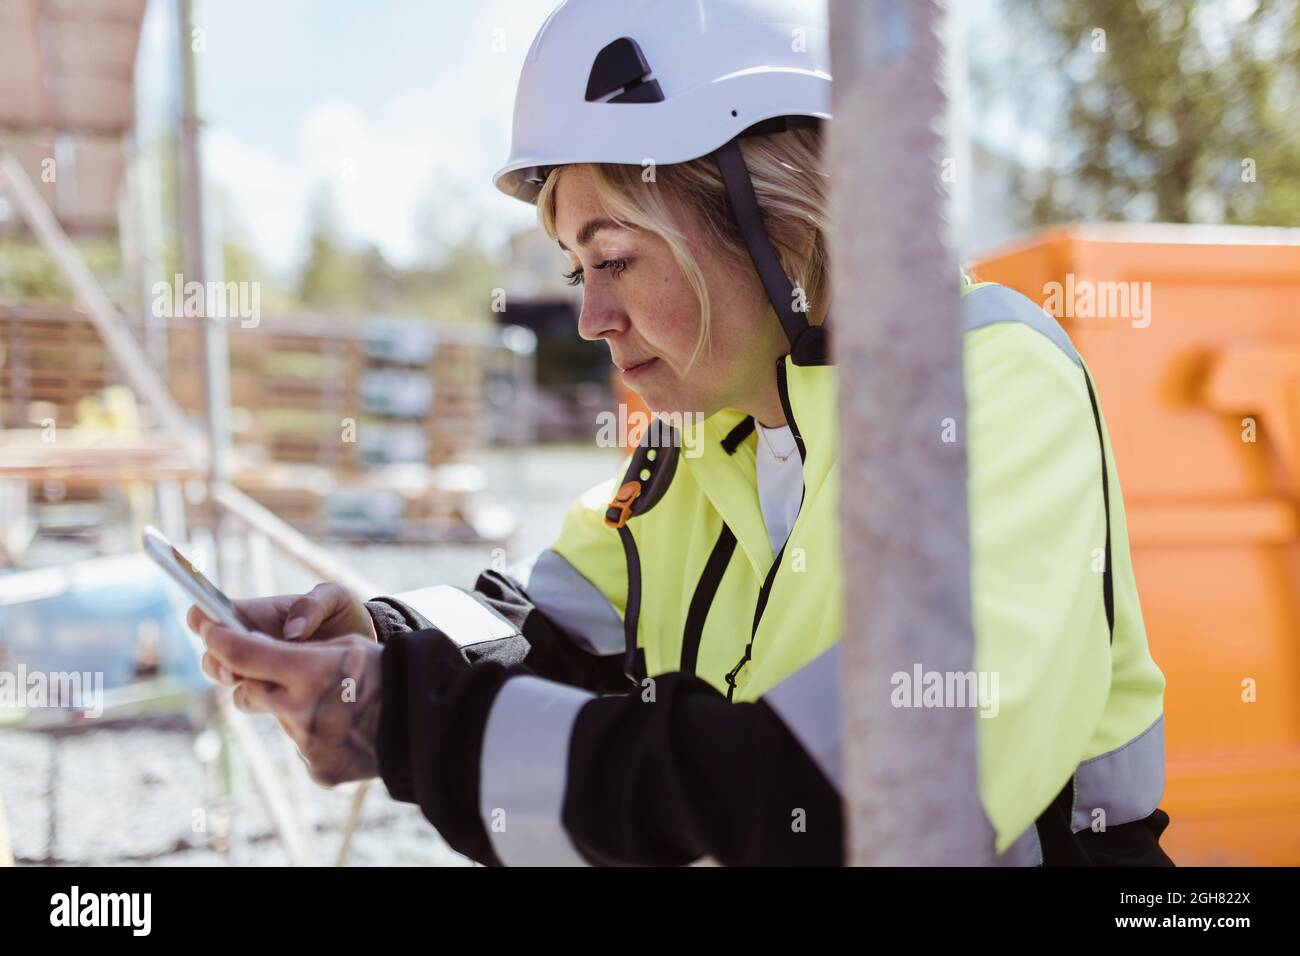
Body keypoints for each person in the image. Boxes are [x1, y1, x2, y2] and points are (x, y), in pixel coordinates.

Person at [190, 0, 1172, 866]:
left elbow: (857, 793)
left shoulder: (986, 386)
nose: (590, 318)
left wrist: (409, 720)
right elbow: (545, 630)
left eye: (612, 256)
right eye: (579, 271)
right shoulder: (703, 440)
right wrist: (379, 641)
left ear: (775, 221)